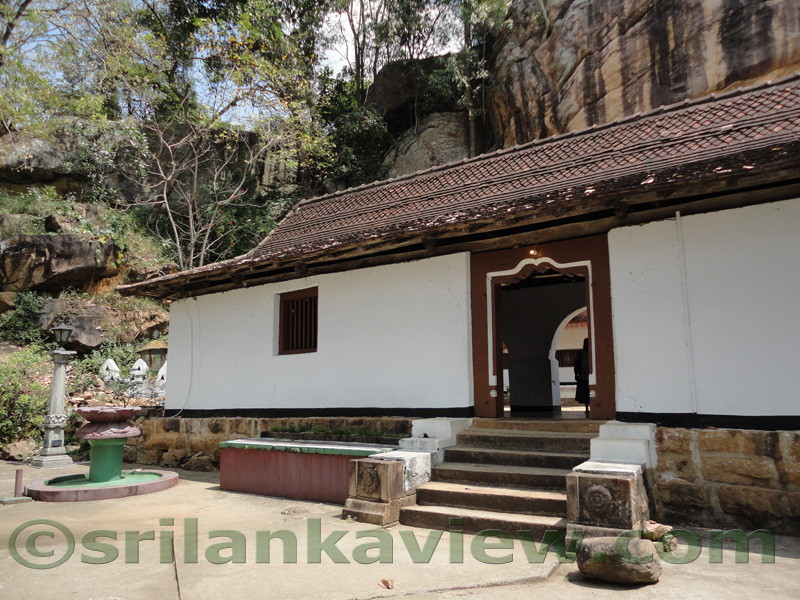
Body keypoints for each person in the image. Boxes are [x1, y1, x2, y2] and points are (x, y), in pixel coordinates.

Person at [574, 338, 590, 417]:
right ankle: (586, 408)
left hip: (590, 376)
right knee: (584, 393)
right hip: (583, 376)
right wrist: (576, 374)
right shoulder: (579, 353)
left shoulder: (593, 352)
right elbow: (576, 364)